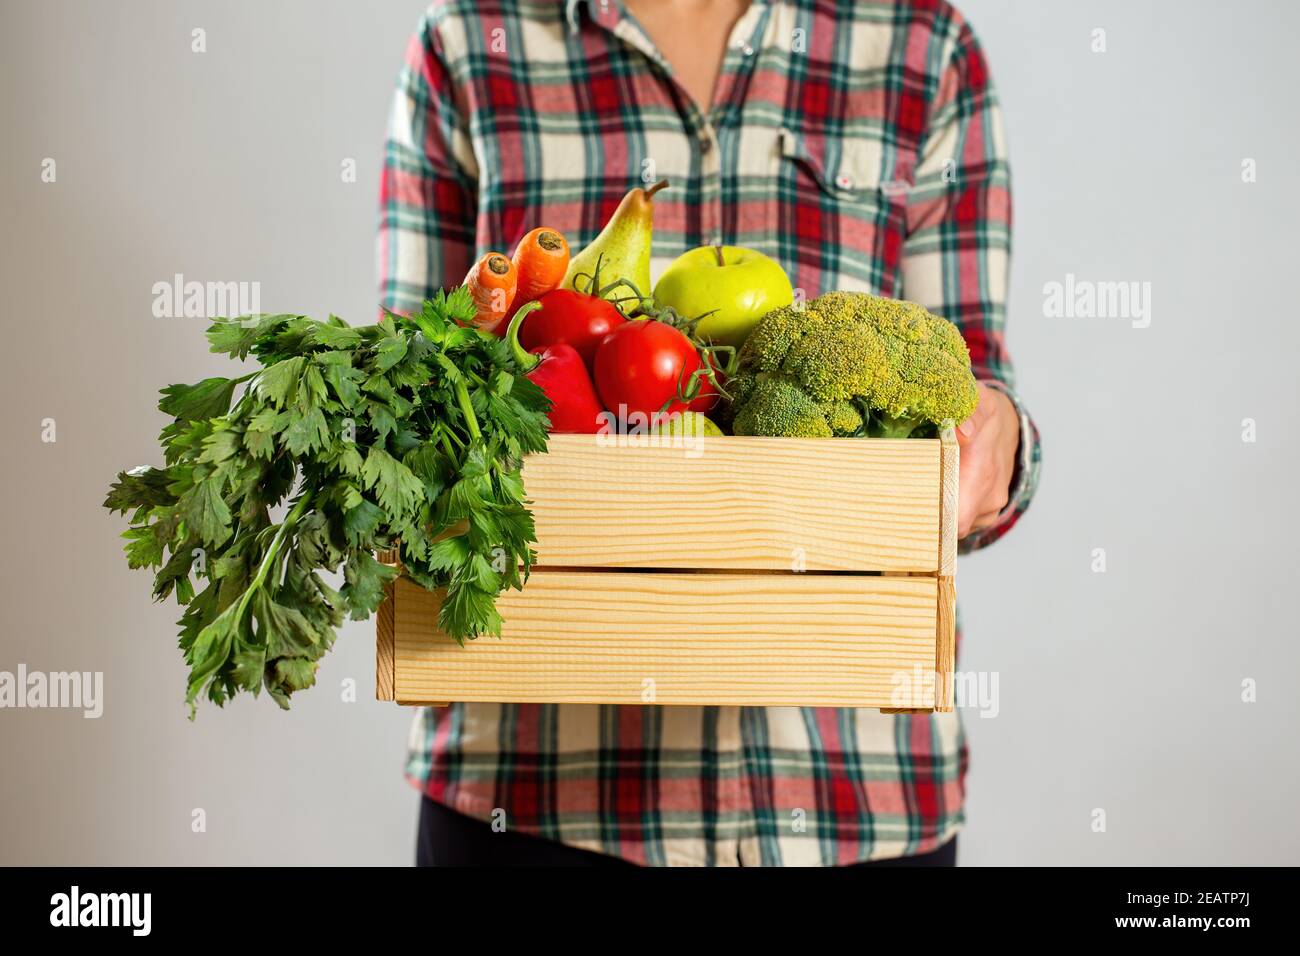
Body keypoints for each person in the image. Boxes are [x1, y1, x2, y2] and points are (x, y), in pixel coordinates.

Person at [379, 0, 1040, 867]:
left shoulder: (922, 42)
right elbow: (400, 395)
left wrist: (997, 443)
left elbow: (970, 375)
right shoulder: (469, 41)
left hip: (856, 801)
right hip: (530, 797)